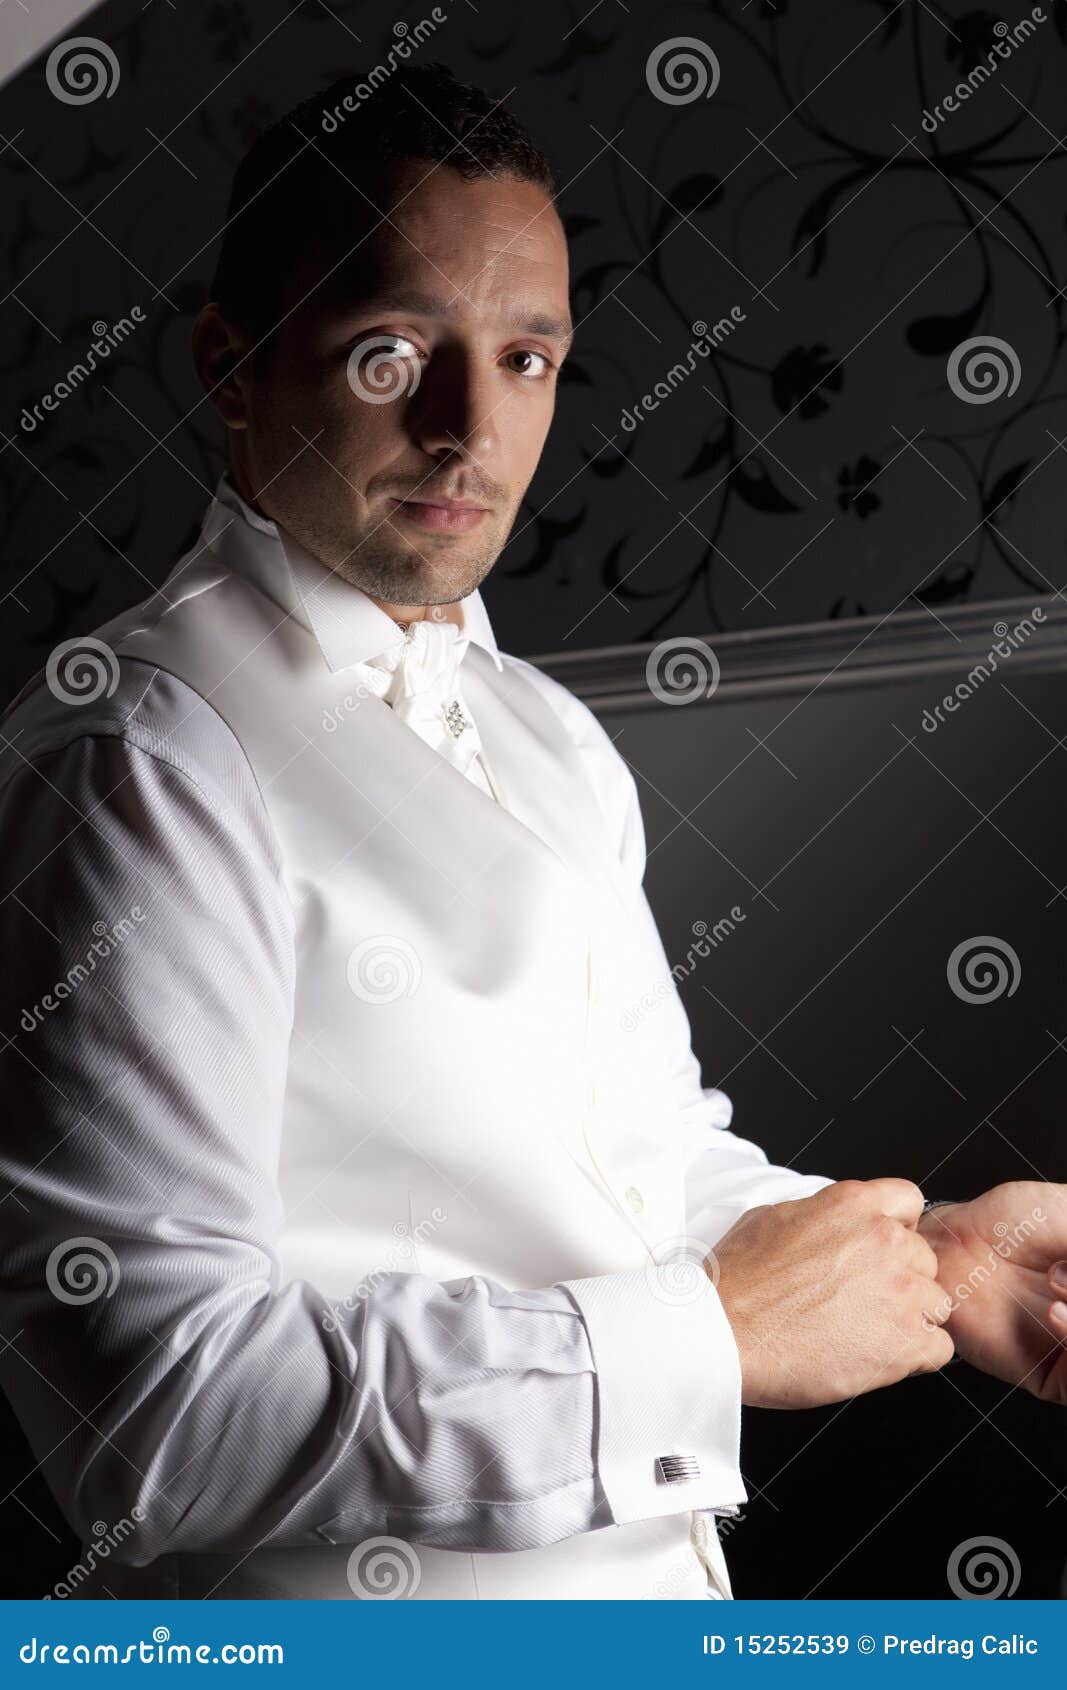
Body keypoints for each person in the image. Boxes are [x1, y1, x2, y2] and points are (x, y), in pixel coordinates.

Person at [0, 62, 1064, 1604]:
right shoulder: (140, 756)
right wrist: (704, 1336)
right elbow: (155, 1414)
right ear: (232, 366)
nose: (465, 428)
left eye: (525, 357)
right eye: (392, 350)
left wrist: (944, 1264)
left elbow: (643, 1173)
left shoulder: (552, 740)